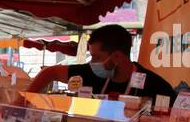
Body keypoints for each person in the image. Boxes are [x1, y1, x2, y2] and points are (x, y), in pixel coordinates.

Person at [25, 24, 175, 102]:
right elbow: (50, 72)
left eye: (97, 57)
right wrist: (20, 102)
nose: (92, 63)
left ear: (116, 57)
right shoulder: (90, 74)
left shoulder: (155, 86)